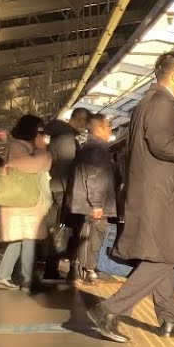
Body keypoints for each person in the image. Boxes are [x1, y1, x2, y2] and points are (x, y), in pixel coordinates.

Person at [88, 51, 174, 342]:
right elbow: (162, 144)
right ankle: (109, 310)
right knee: (167, 254)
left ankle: (170, 320)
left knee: (164, 254)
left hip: (154, 193)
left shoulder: (147, 103)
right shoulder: (162, 103)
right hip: (160, 196)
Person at [0, 116, 52, 290]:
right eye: (39, 129)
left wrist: (41, 149)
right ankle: (26, 279)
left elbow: (45, 166)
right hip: (22, 201)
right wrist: (41, 150)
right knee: (28, 238)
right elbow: (31, 166)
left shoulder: (24, 146)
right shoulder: (17, 146)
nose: (41, 134)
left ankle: (3, 276)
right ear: (31, 129)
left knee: (19, 239)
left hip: (25, 201)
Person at [69, 114, 118, 285]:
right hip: (94, 204)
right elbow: (95, 177)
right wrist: (97, 204)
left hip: (88, 202)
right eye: (109, 126)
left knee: (88, 235)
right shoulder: (97, 149)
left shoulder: (88, 147)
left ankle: (87, 270)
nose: (110, 130)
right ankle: (87, 271)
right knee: (91, 236)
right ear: (101, 127)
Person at [44, 107, 91, 280]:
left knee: (58, 227)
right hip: (63, 188)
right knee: (60, 228)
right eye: (85, 123)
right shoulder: (66, 137)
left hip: (58, 187)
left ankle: (52, 266)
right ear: (80, 120)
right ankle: (51, 267)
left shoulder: (62, 135)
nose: (85, 127)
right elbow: (68, 167)